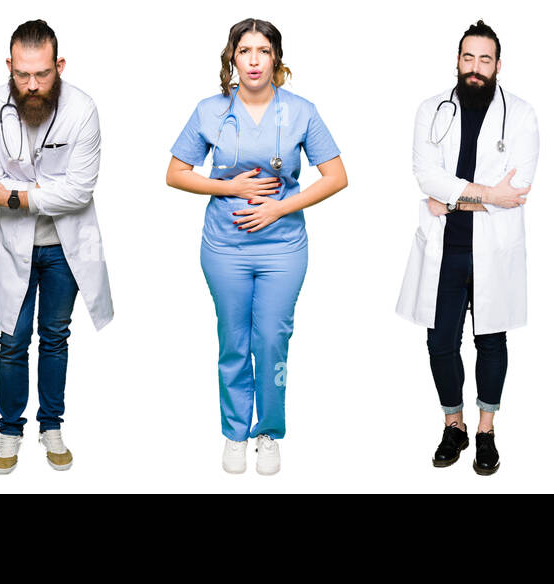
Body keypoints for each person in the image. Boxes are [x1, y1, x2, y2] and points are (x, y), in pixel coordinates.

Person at [166, 18, 347, 476]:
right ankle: (234, 432)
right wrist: (228, 188)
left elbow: (337, 176)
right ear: (232, 57)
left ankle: (267, 431)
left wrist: (278, 209)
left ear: (276, 59)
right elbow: (175, 172)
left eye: (262, 50)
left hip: (283, 247)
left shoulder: (301, 111)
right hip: (224, 246)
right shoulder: (210, 110)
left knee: (271, 339)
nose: (252, 59)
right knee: (233, 340)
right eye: (244, 50)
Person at [0, 20, 113, 475]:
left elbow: (80, 191)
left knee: (55, 339)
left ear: (60, 66)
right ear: (9, 66)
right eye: (23, 74)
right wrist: (44, 190)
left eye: (43, 75)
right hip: (16, 247)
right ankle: (10, 430)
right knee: (12, 341)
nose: (32, 86)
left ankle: (51, 425)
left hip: (65, 250)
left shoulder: (83, 109)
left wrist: (15, 195)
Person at [396, 21, 538, 476]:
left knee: (490, 338)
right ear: (457, 61)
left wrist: (455, 198)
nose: (475, 68)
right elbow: (426, 175)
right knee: (439, 342)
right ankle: (453, 425)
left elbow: (518, 185)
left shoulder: (520, 114)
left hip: (493, 249)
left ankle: (485, 431)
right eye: (468, 58)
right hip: (447, 247)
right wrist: (487, 196)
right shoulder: (431, 109)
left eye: (485, 59)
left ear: (498, 65)